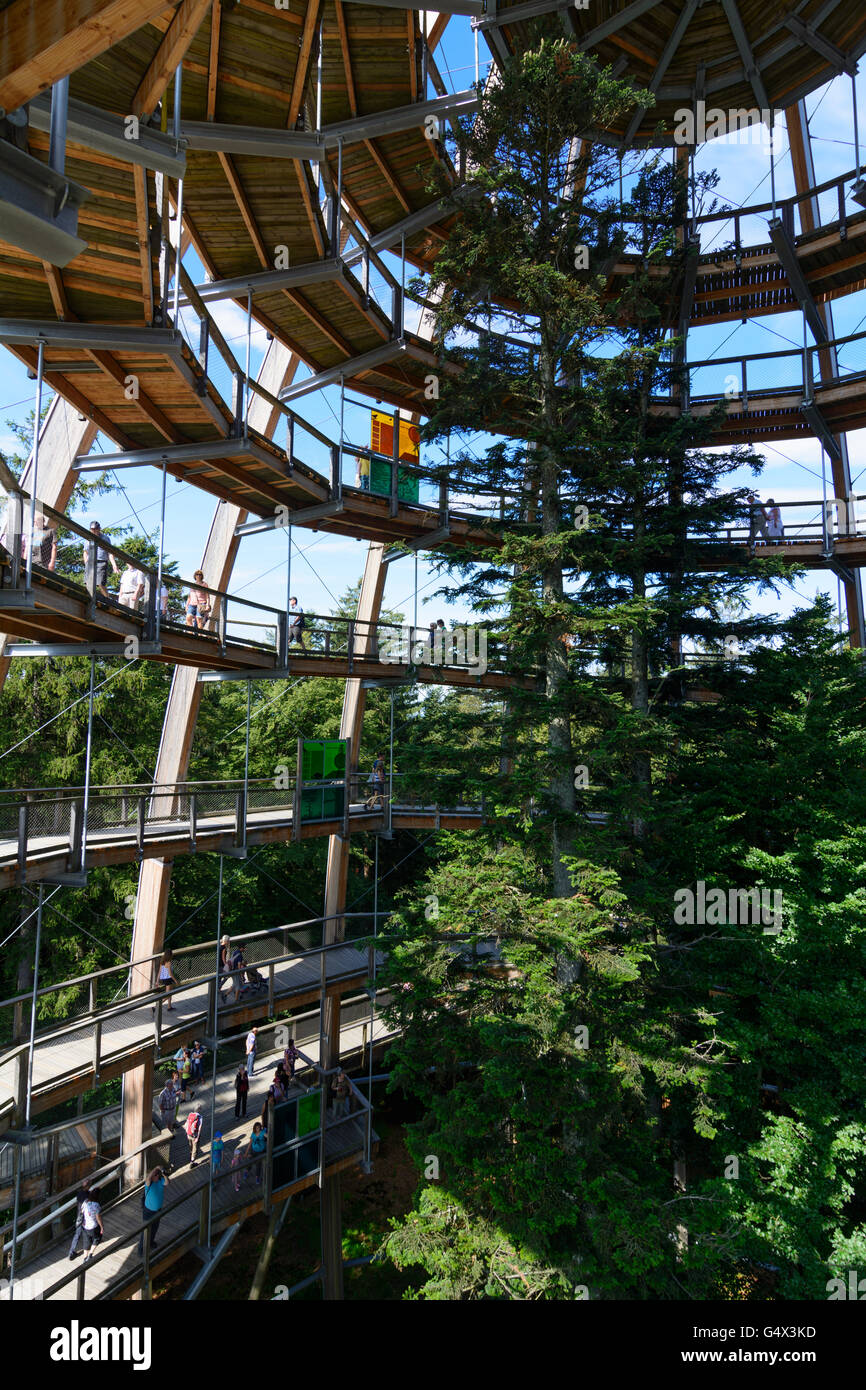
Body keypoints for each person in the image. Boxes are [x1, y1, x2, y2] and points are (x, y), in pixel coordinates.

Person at [84, 521, 120, 597]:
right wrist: (86, 562)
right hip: (90, 562)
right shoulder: (88, 539)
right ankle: (89, 598)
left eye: (95, 529)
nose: (94, 531)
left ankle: (107, 599)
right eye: (92, 529)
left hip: (101, 562)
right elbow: (85, 552)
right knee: (88, 582)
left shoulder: (105, 539)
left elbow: (110, 553)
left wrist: (114, 565)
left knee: (100, 583)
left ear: (99, 529)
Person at [138, 1166, 168, 1255]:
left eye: (157, 1175)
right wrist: (156, 1168)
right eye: (155, 1175)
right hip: (148, 1211)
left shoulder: (160, 1181)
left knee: (154, 1228)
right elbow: (148, 1178)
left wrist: (163, 1174)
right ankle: (141, 1249)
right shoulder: (149, 1183)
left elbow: (167, 1182)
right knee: (145, 1230)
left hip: (157, 1211)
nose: (156, 1176)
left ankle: (151, 1243)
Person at [68, 1178, 92, 1260]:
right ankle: (92, 1243)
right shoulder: (88, 1195)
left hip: (80, 1216)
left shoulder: (79, 1194)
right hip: (85, 1216)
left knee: (77, 1234)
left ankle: (71, 1252)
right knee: (88, 1230)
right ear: (88, 1186)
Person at [81, 1192, 104, 1259]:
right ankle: (90, 1254)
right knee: (97, 1238)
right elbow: (98, 1217)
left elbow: (81, 1212)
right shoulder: (96, 1205)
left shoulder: (85, 1202)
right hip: (93, 1226)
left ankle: (85, 1258)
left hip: (85, 1226)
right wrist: (101, 1227)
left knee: (86, 1241)